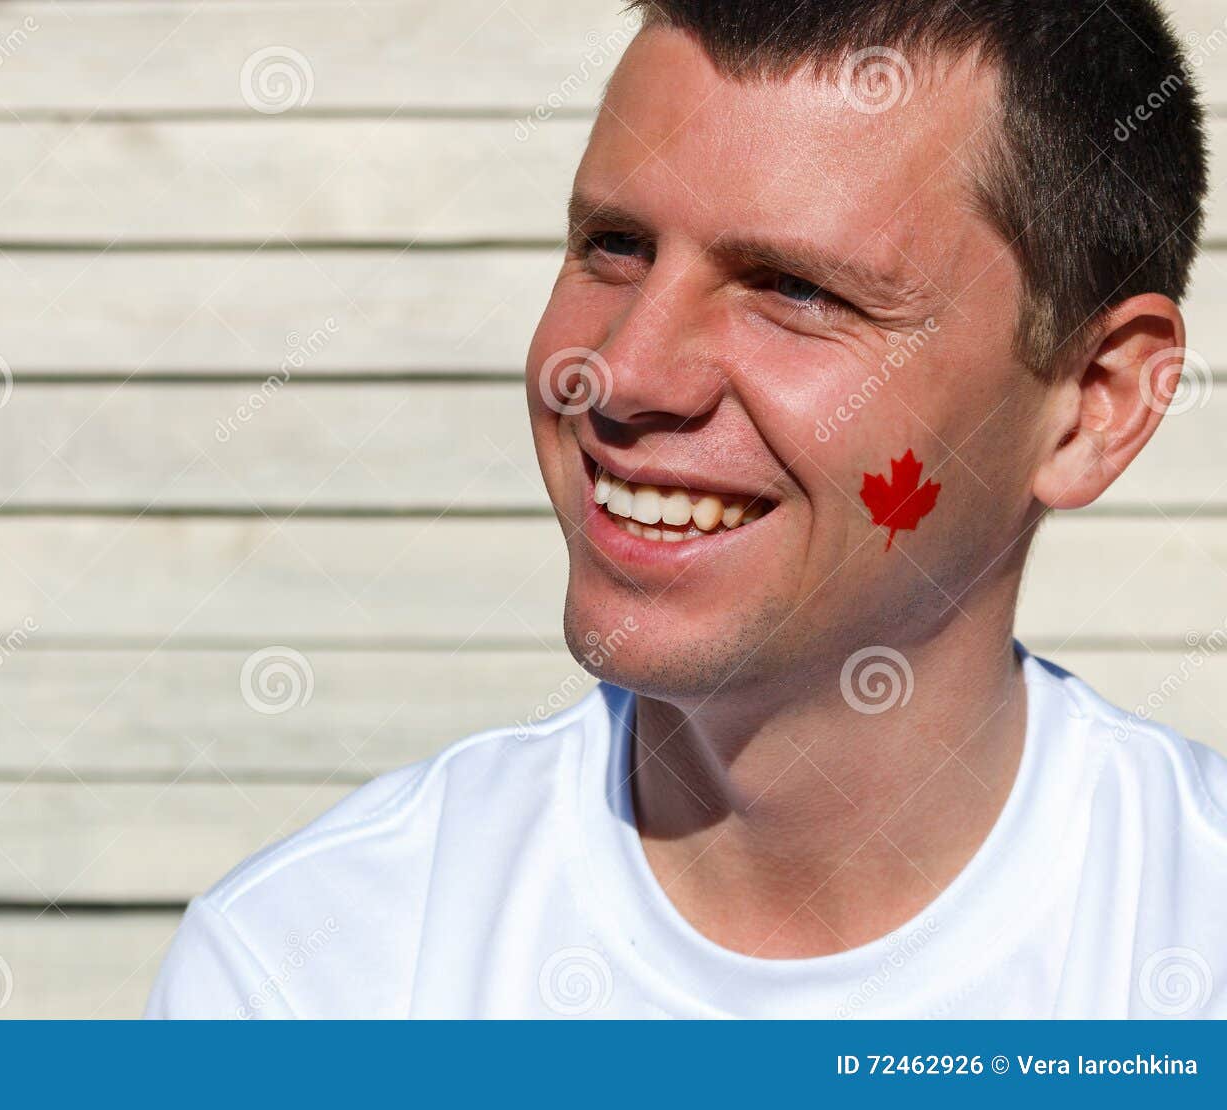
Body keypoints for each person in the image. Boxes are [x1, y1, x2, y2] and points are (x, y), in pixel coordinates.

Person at [148, 0, 1225, 1018]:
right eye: (615, 247)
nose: (619, 373)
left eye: (797, 290)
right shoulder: (308, 978)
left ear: (1094, 405)